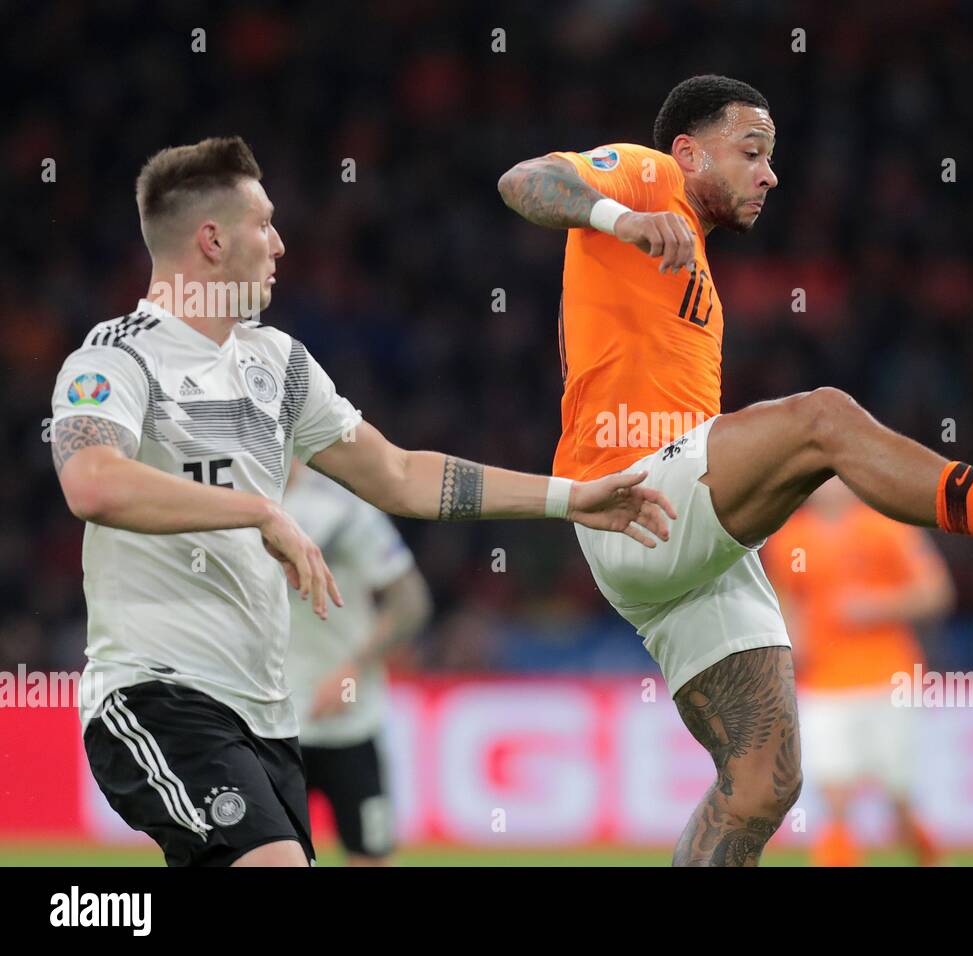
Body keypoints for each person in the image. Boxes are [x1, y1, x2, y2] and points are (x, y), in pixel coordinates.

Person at [499, 73, 973, 865]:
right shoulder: (648, 173)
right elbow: (522, 181)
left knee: (764, 783)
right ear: (688, 152)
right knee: (825, 418)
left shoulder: (700, 272)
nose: (771, 173)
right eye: (752, 151)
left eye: (773, 157)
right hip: (626, 492)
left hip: (685, 546)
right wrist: (620, 213)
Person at [51, 136, 675, 867]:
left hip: (266, 714)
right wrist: (259, 511)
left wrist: (568, 498)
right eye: (264, 225)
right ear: (212, 239)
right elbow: (91, 482)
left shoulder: (277, 364)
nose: (280, 244)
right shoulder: (115, 357)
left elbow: (401, 474)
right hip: (155, 693)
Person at [765, 479, 951, 866]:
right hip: (824, 683)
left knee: (898, 799)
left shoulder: (887, 528)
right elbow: (784, 596)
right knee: (834, 796)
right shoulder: (789, 537)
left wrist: (876, 605)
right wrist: (791, 635)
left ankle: (930, 858)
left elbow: (936, 592)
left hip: (890, 680)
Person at [282, 459, 432, 866]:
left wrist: (353, 668)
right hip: (268, 723)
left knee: (370, 857)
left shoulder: (342, 509)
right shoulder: (232, 500)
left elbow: (410, 601)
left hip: (348, 723)